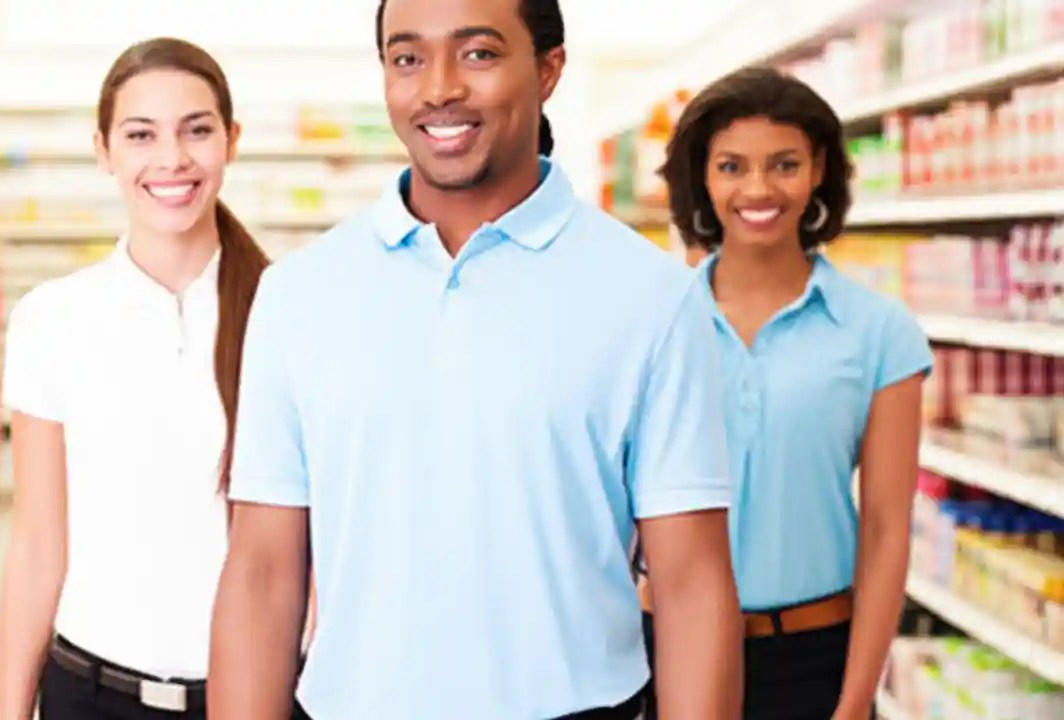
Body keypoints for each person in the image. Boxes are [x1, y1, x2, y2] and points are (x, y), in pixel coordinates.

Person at [207, 0, 743, 718]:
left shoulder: (653, 299)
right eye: (407, 58)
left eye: (478, 53)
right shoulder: (298, 295)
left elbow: (691, 583)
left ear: (548, 69)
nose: (438, 88)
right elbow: (263, 574)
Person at [640, 66, 933, 720]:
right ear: (702, 176)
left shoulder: (879, 332)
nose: (758, 189)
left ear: (819, 168)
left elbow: (886, 531)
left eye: (784, 164)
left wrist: (855, 701)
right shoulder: (653, 319)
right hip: (663, 648)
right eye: (732, 166)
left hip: (814, 657)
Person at [0, 37, 268, 720]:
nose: (171, 159)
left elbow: (318, 548)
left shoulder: (288, 311)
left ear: (231, 141)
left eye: (197, 130)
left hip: (257, 696)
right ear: (104, 149)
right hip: (91, 697)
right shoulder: (51, 319)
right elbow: (36, 547)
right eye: (141, 134)